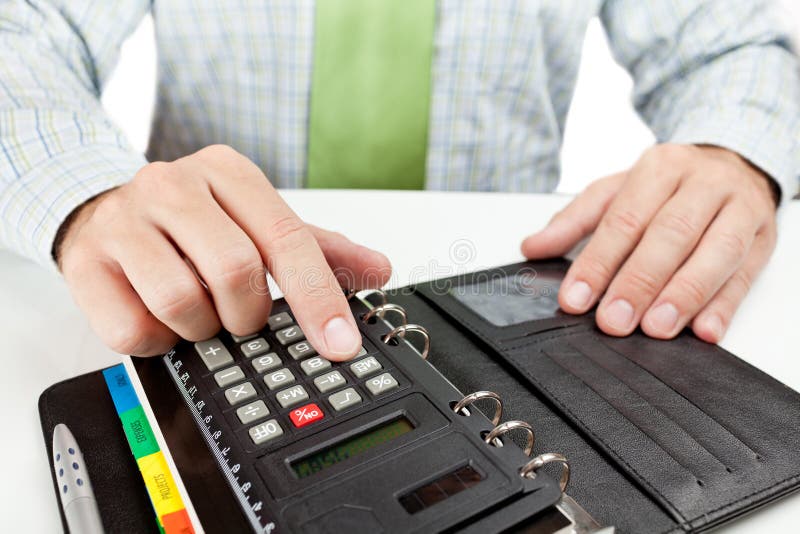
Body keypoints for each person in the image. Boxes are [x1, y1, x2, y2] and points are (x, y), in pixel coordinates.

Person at [0, 1, 798, 361]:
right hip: (201, 302)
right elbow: (21, 29)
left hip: (513, 298)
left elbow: (731, 47)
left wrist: (736, 153)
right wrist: (88, 193)